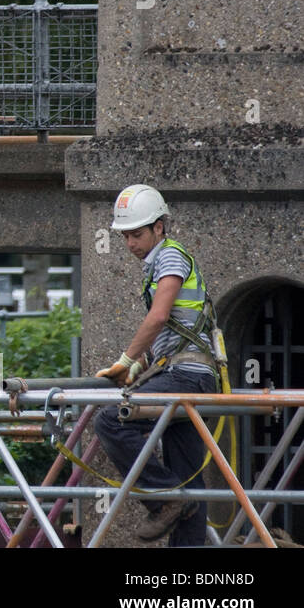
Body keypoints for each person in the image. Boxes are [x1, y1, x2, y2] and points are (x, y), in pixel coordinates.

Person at [94, 184, 220, 546]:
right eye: (126, 236)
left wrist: (125, 361)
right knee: (186, 477)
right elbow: (175, 328)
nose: (130, 243)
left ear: (159, 227)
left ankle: (165, 499)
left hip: (187, 376)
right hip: (183, 373)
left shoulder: (169, 257)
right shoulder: (159, 263)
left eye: (137, 234)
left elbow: (159, 317)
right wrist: (141, 366)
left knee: (112, 419)